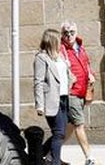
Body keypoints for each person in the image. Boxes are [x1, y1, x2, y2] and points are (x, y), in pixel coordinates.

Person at [61, 21, 98, 165]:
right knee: (79, 124)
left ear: (76, 32)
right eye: (65, 33)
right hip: (72, 92)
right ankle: (89, 157)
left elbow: (86, 64)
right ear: (62, 34)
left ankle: (51, 154)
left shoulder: (80, 47)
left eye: (71, 32)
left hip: (82, 91)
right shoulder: (62, 49)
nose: (69, 35)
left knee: (69, 128)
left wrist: (91, 74)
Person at [33, 29, 70, 165]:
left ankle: (43, 154)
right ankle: (54, 162)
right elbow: (38, 82)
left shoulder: (59, 57)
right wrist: (40, 105)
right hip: (52, 100)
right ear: (52, 41)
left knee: (61, 132)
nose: (61, 42)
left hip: (65, 98)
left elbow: (65, 76)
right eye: (59, 40)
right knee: (59, 132)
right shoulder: (41, 58)